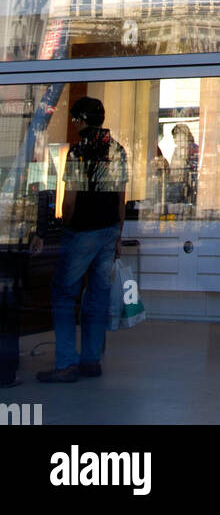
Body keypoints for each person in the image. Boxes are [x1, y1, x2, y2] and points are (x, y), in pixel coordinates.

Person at [32, 96, 128, 383]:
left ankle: (66, 364)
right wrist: (118, 235)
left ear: (82, 120)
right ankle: (90, 360)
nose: (74, 126)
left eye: (75, 120)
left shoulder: (79, 151)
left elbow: (70, 201)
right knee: (97, 296)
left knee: (63, 294)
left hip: (83, 230)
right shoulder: (117, 150)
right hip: (110, 229)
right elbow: (121, 199)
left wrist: (65, 225)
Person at [167, 124, 199, 209]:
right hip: (177, 186)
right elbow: (172, 170)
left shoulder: (193, 149)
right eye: (174, 137)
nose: (174, 140)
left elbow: (194, 171)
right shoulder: (177, 150)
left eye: (175, 136)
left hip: (188, 187)